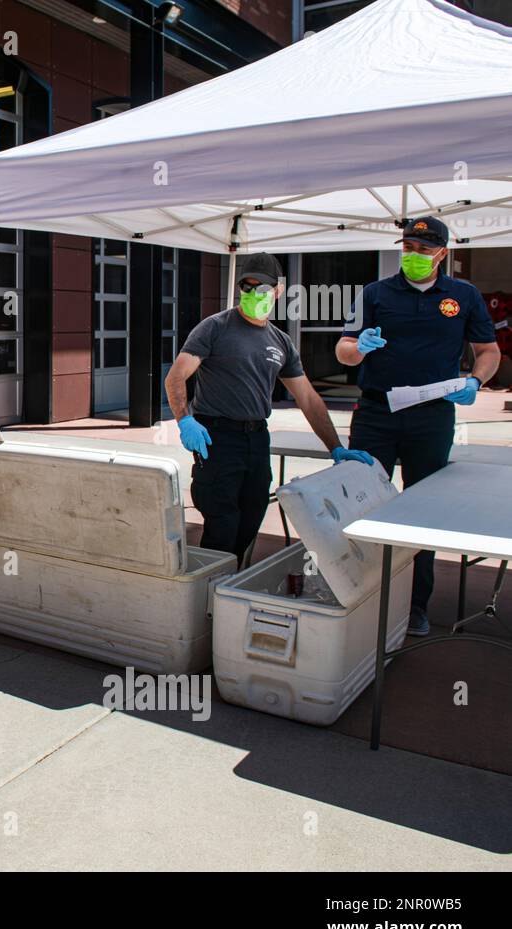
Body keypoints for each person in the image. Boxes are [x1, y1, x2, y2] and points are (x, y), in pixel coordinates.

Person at [336, 216, 500, 636]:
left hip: (432, 416)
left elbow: (488, 350)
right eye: (408, 248)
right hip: (376, 413)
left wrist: (475, 380)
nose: (413, 256)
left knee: (421, 509)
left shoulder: (463, 296)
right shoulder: (376, 292)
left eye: (424, 250)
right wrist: (359, 347)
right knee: (360, 501)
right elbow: (343, 349)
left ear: (443, 253)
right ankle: (356, 595)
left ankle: (415, 605)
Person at [165, 252, 373, 567]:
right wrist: (185, 421)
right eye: (245, 288)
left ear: (277, 291)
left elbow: (307, 397)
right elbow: (176, 376)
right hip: (217, 437)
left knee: (251, 516)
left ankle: (231, 587)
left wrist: (336, 448)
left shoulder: (281, 342)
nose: (252, 294)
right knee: (222, 523)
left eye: (260, 288)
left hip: (256, 439)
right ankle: (208, 596)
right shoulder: (215, 328)